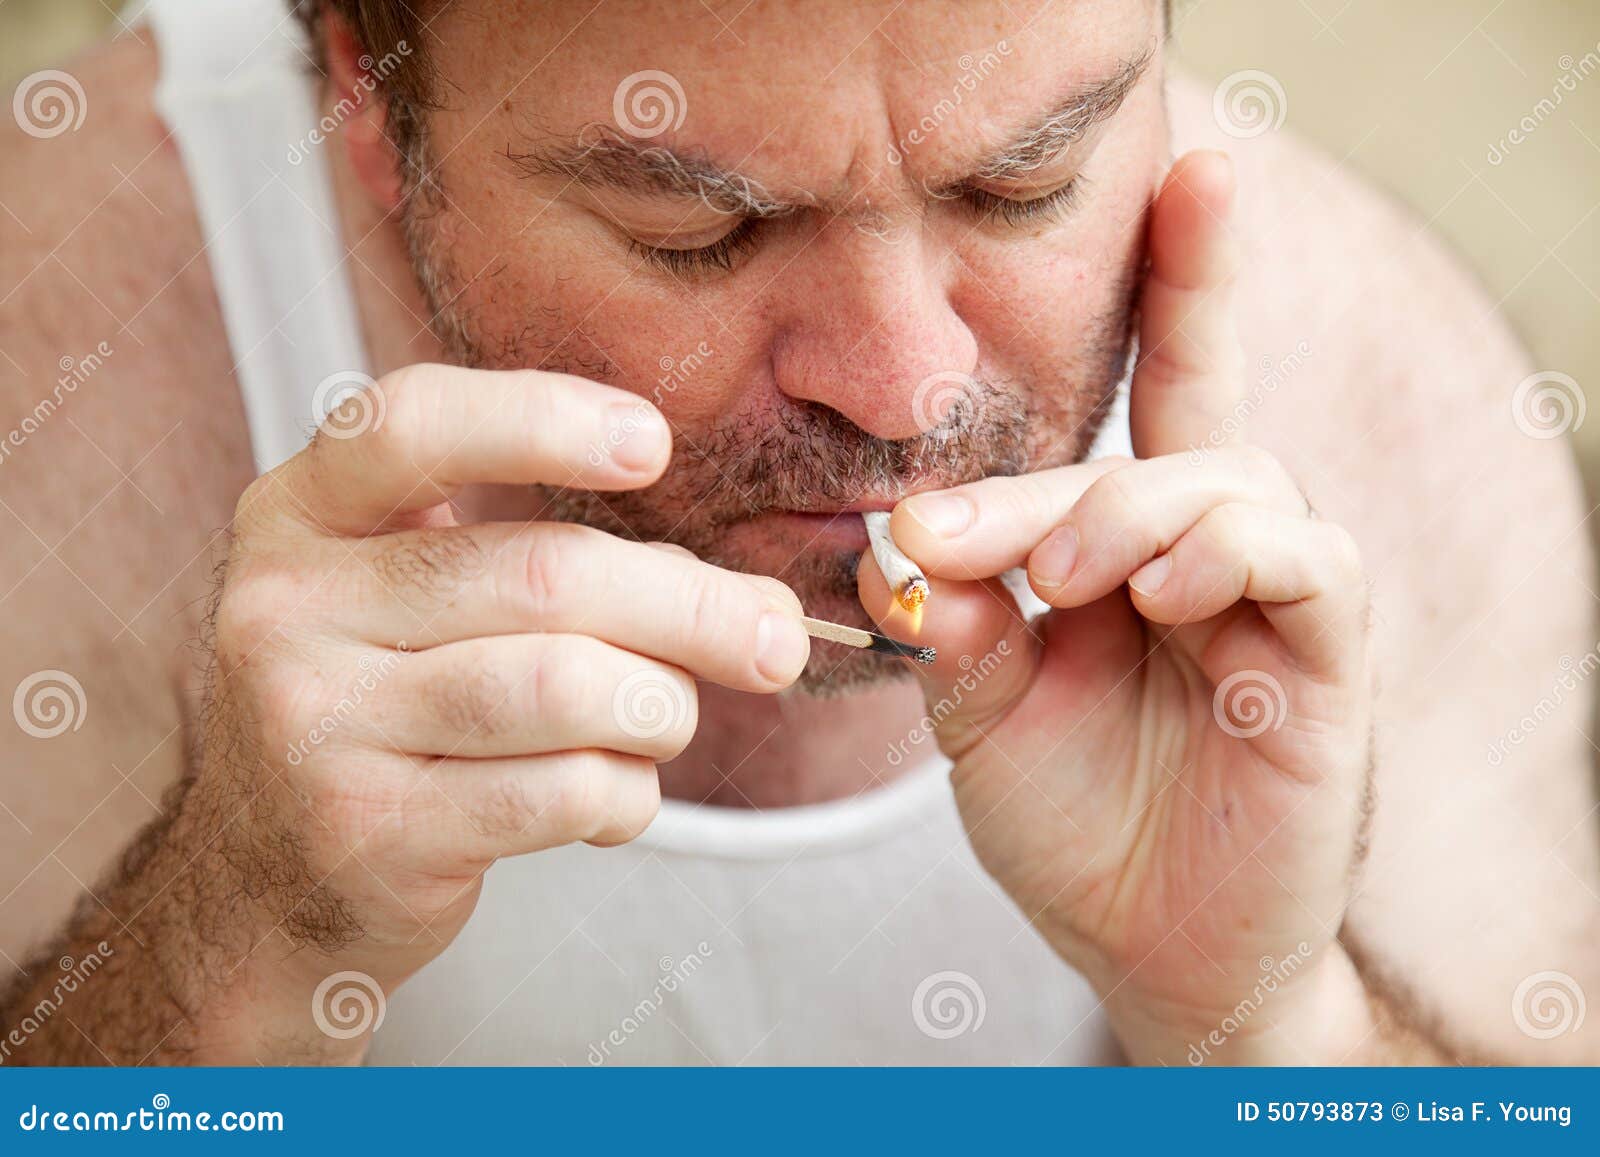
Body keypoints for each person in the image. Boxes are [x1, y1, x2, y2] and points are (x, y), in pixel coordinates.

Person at [0, 0, 1595, 1066]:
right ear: (364, 91)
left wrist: (1275, 1026)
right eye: (706, 228)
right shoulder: (64, 365)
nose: (907, 393)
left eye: (1023, 183)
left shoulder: (1393, 422)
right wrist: (224, 949)